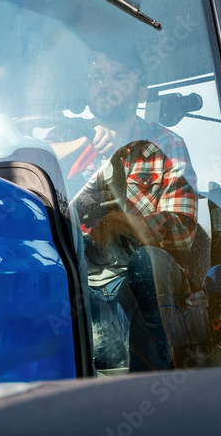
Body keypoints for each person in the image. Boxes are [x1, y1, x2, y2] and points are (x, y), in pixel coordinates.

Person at [46, 48, 203, 371]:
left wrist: (124, 223)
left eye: (118, 77)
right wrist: (84, 143)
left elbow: (183, 227)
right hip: (79, 279)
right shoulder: (63, 135)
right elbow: (36, 169)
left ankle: (155, 382)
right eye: (98, 77)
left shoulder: (165, 143)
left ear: (141, 91)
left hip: (135, 279)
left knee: (148, 263)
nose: (105, 85)